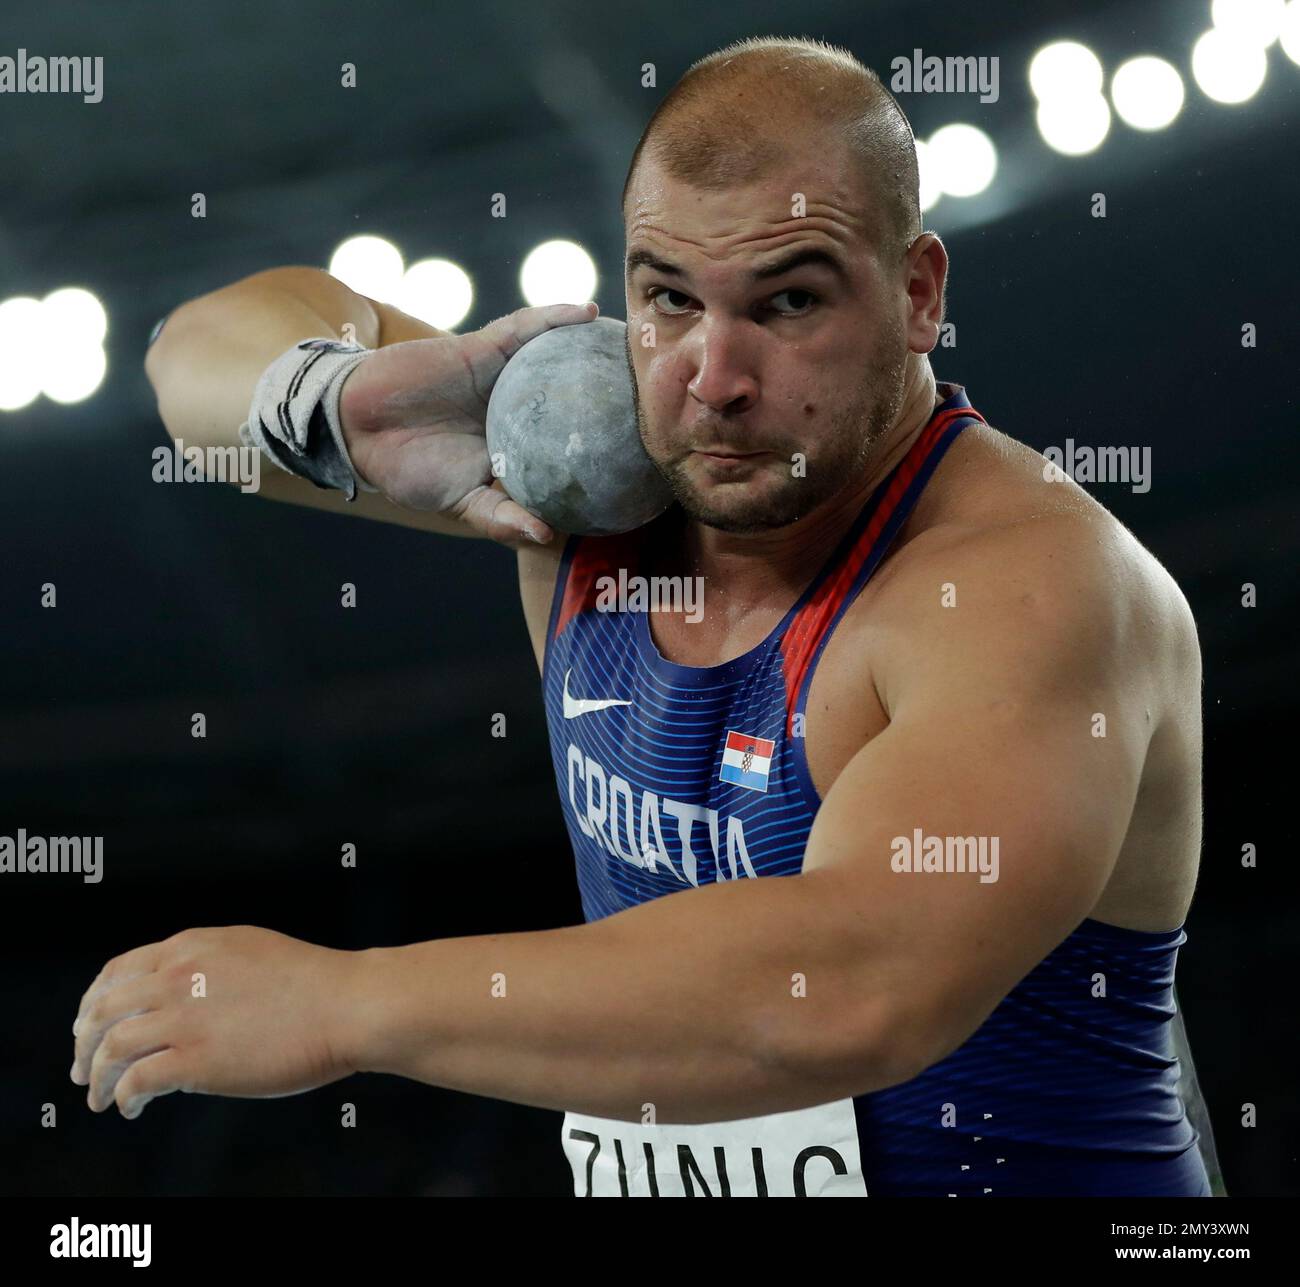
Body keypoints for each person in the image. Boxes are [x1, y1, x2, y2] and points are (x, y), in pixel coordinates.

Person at [73, 36, 1218, 1196]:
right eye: (668, 296)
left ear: (918, 292)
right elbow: (189, 359)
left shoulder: (1029, 586)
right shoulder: (586, 473)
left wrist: (340, 1003)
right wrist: (330, 398)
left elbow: (853, 992)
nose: (712, 378)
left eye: (789, 300)